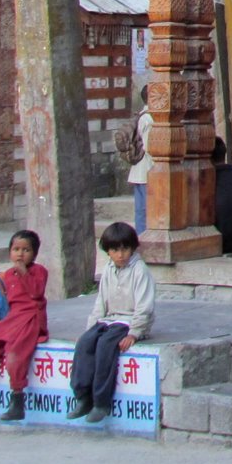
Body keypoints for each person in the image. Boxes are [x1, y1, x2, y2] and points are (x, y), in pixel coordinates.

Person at [67, 222, 155, 424]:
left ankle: (101, 401)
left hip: (128, 321)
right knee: (85, 343)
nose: (121, 255)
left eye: (125, 249)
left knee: (106, 346)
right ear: (108, 252)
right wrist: (91, 327)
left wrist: (135, 332)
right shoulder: (108, 270)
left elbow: (145, 306)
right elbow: (101, 301)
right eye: (115, 250)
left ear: (132, 248)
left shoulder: (140, 271)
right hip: (108, 320)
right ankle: (82, 397)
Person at [0, 229, 50, 422]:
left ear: (34, 254)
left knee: (15, 354)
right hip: (13, 319)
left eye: (26, 250)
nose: (20, 254)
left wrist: (24, 273)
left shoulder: (39, 271)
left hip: (31, 318)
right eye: (16, 249)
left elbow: (36, 293)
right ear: (10, 252)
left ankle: (17, 399)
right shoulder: (8, 274)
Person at [126, 87, 153, 233]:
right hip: (147, 170)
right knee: (145, 210)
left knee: (141, 210)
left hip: (141, 171)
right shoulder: (148, 118)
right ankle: (143, 239)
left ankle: (141, 237)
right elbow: (150, 149)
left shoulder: (144, 116)